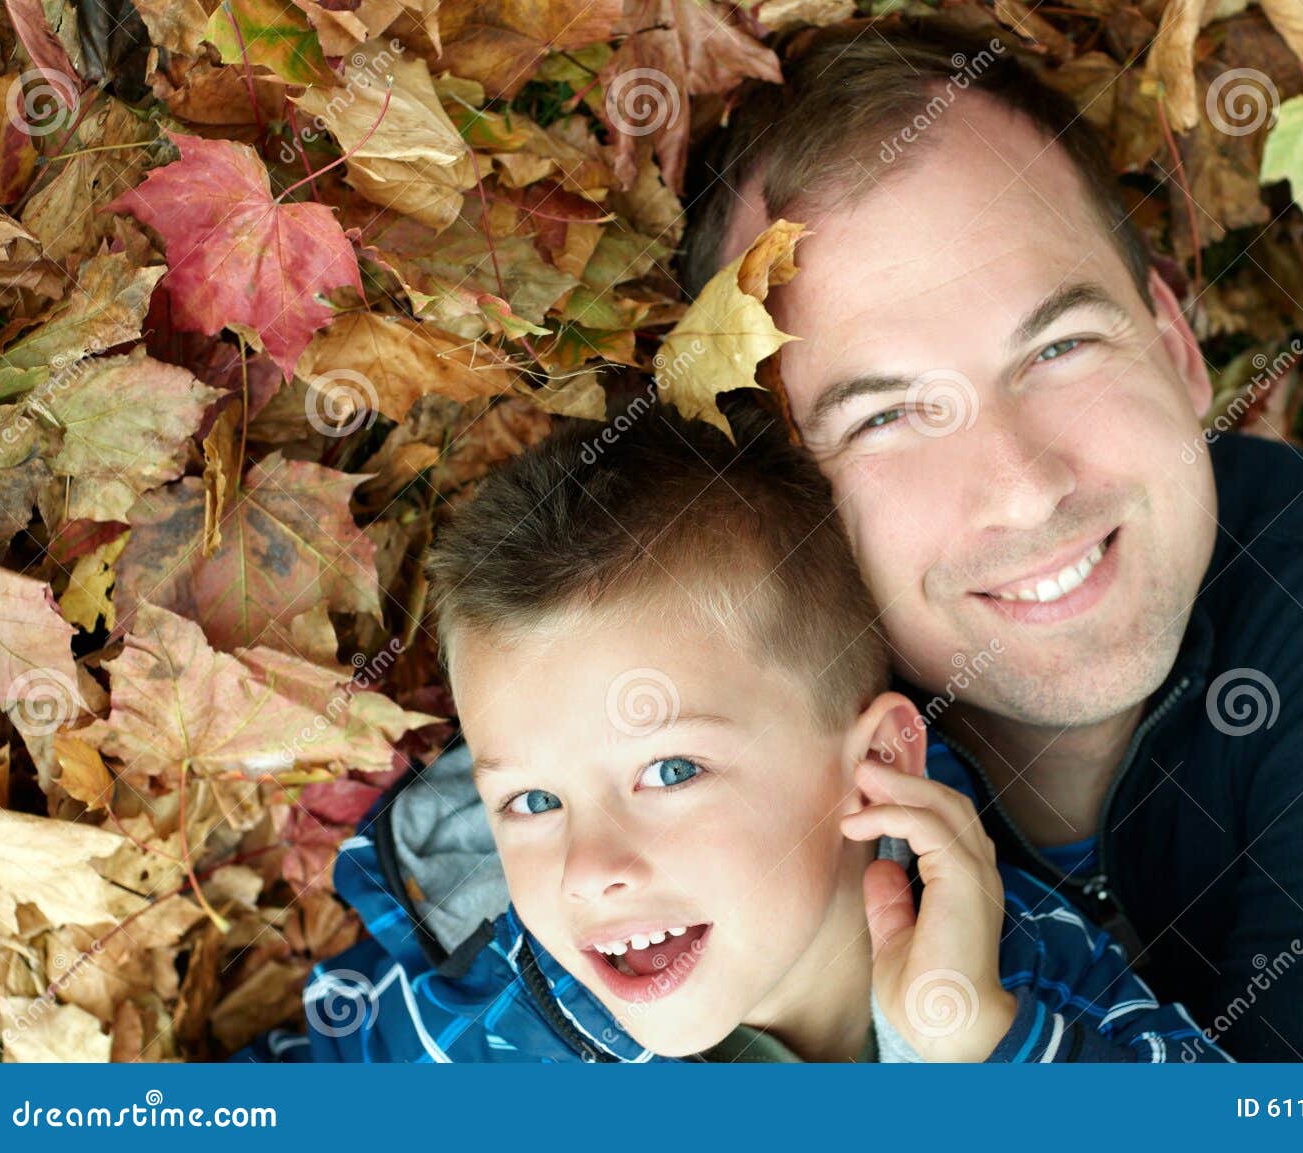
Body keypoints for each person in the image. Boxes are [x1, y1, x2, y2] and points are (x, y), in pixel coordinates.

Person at [673, 20, 1303, 1060]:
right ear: (786, 499)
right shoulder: (714, 735)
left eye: (1059, 346)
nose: (1023, 491)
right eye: (882, 417)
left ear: (1173, 347)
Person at [243, 402, 1225, 1063]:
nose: (589, 868)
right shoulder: (488, 1016)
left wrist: (979, 1046)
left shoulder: (1028, 980)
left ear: (877, 765)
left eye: (668, 769)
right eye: (532, 801)